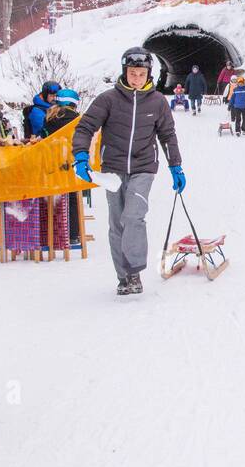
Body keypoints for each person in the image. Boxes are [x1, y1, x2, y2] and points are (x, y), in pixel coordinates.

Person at [71, 47, 184, 296]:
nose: (136, 79)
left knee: (134, 216)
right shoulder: (108, 99)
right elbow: (85, 127)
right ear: (125, 72)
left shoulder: (157, 102)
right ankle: (122, 277)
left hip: (143, 167)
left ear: (149, 75)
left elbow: (167, 135)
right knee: (117, 223)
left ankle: (134, 272)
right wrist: (80, 155)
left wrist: (175, 165)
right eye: (132, 73)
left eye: (141, 74)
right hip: (113, 168)